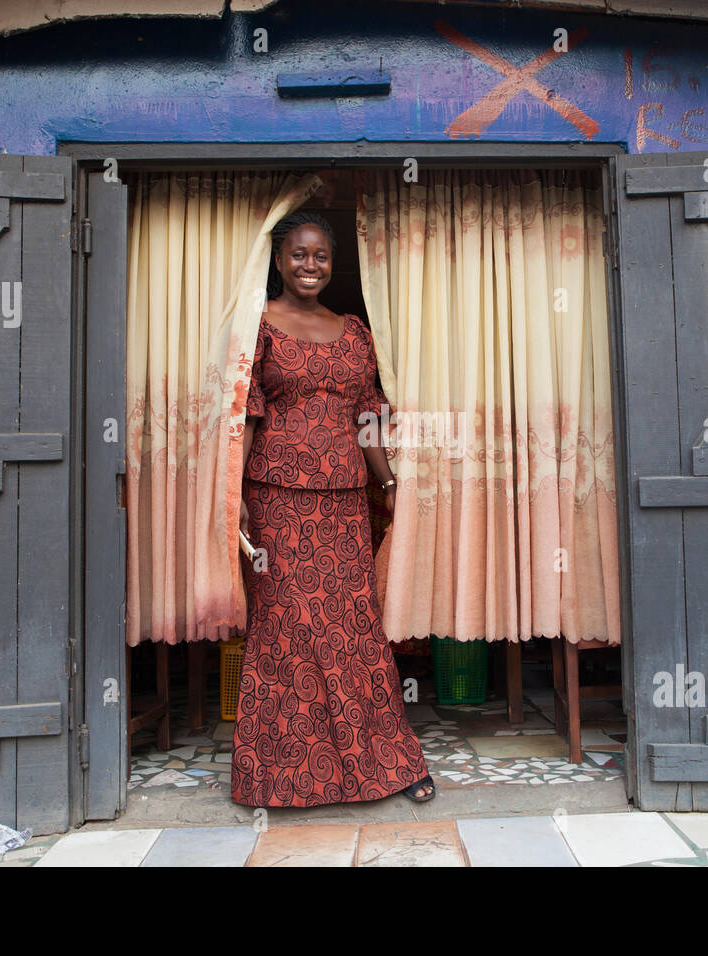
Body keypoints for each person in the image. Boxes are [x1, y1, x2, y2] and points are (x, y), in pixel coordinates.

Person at [229, 211, 435, 807]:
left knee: (353, 630)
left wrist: (390, 481)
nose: (309, 266)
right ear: (278, 260)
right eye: (298, 254)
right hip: (275, 499)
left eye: (319, 256)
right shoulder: (259, 326)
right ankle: (282, 776)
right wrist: (234, 492)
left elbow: (369, 416)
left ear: (332, 262)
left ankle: (387, 765)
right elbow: (247, 412)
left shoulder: (354, 332)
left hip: (345, 503)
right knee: (286, 630)